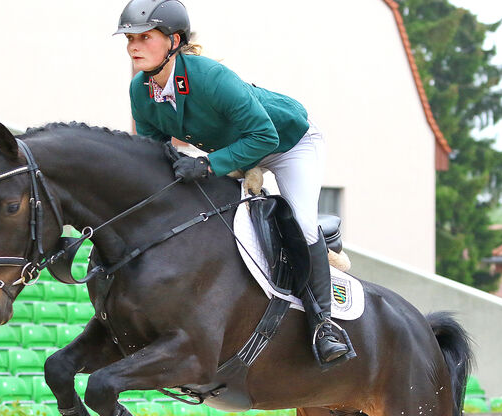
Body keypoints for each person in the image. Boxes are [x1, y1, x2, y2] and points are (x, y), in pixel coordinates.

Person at [115, 0, 353, 365]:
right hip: (237, 151)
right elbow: (154, 155)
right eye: (130, 37)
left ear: (173, 41)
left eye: (144, 37)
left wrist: (209, 165)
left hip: (288, 143)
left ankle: (325, 326)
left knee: (302, 222)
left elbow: (265, 136)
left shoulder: (209, 77)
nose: (133, 45)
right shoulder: (140, 91)